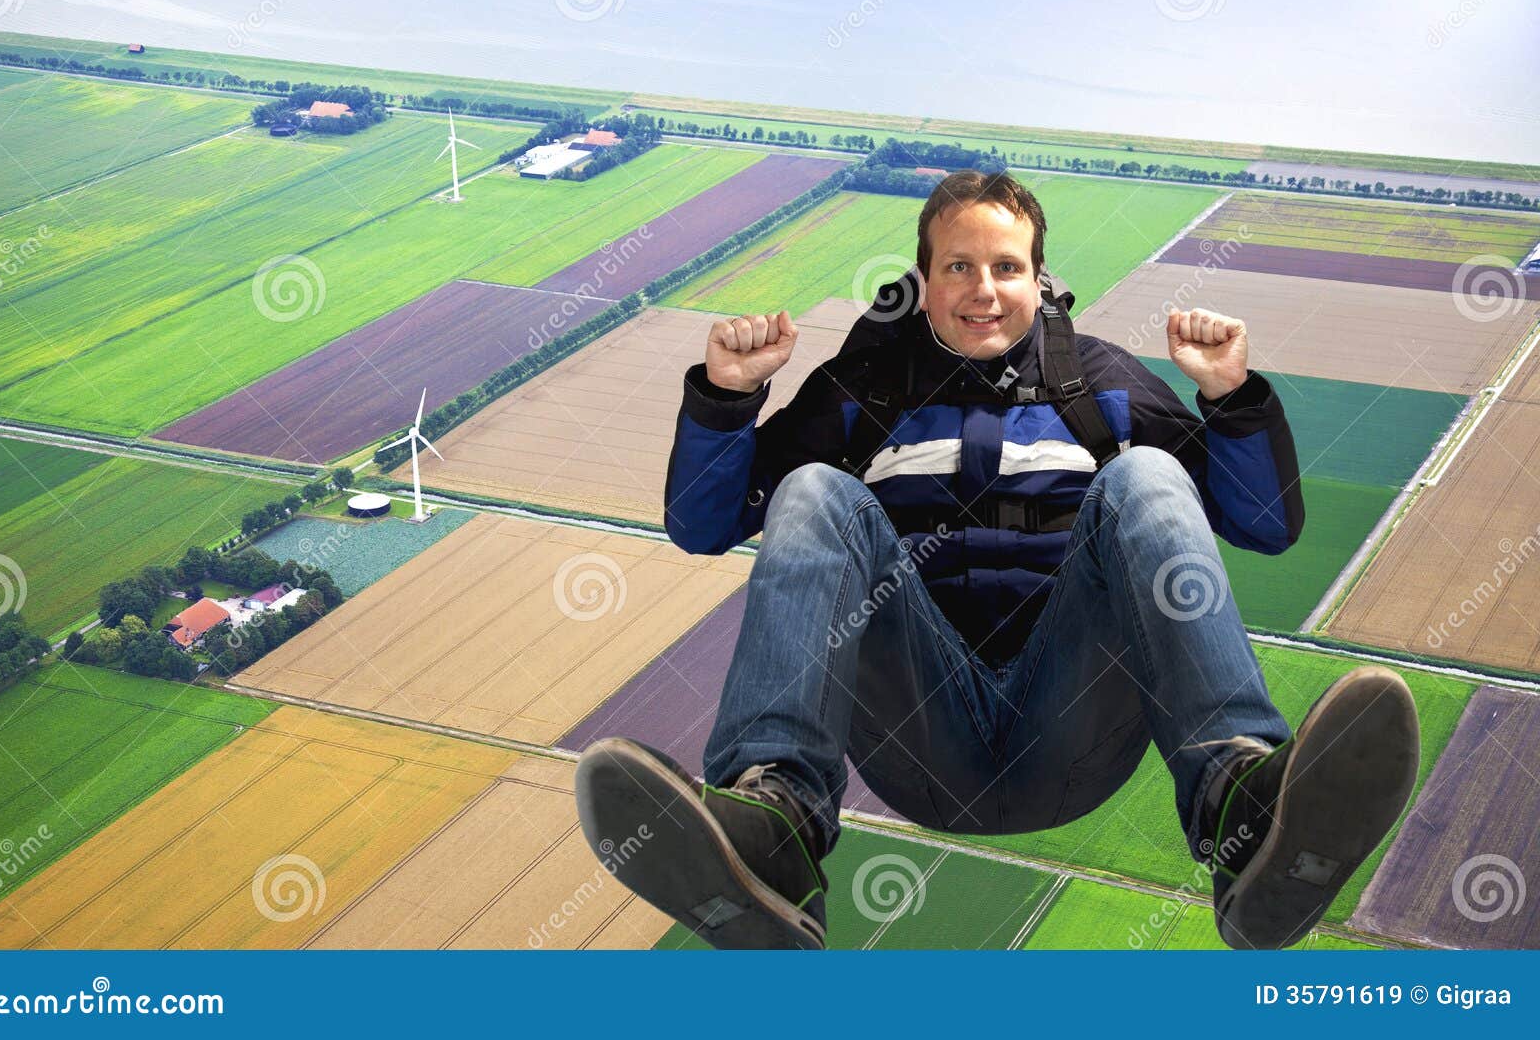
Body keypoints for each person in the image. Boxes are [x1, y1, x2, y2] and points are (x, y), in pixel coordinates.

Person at [574, 170, 1420, 951]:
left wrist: (1230, 397)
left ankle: (1241, 803)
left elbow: (1263, 525)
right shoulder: (861, 390)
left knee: (1151, 472)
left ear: (1040, 280)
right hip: (922, 735)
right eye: (958, 267)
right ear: (922, 280)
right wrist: (727, 397)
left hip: (1075, 724)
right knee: (811, 492)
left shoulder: (1102, 384)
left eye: (1007, 267)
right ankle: (776, 829)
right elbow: (704, 524)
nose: (984, 289)